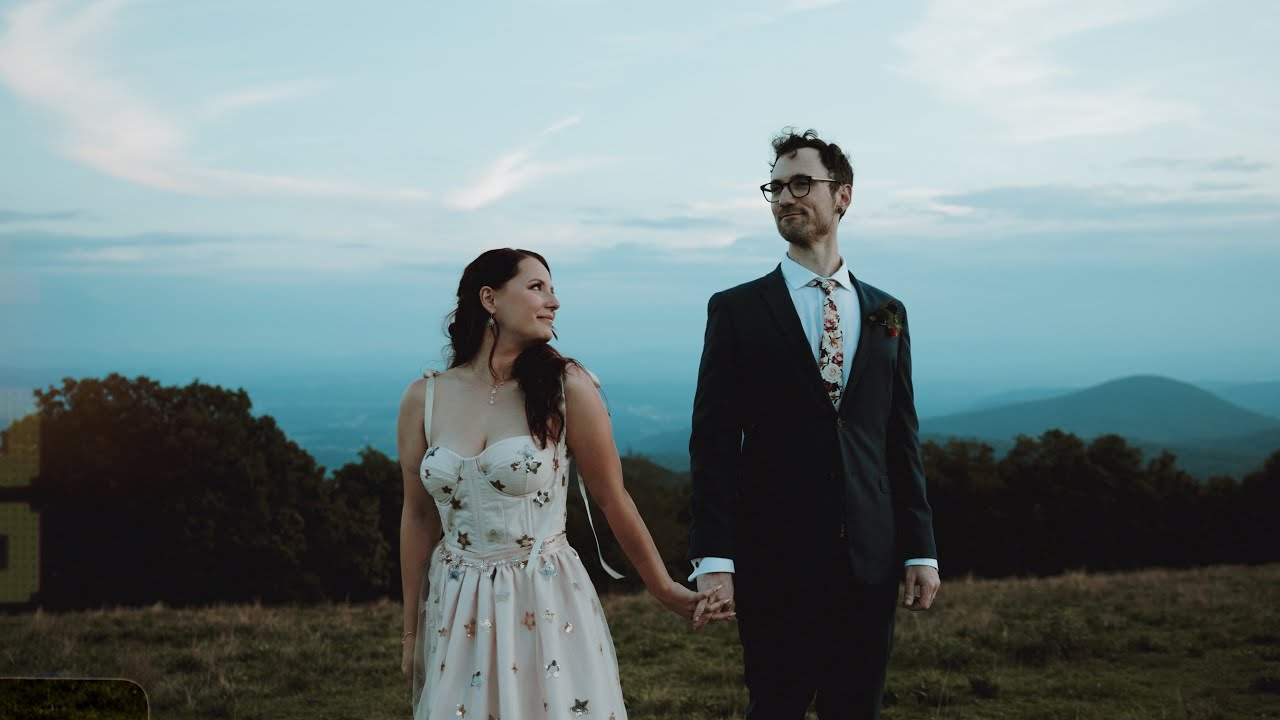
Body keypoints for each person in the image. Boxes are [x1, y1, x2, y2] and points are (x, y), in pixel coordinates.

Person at [686, 129, 941, 719]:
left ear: (843, 196)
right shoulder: (738, 309)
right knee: (775, 705)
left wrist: (920, 549)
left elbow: (900, 438)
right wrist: (714, 559)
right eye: (775, 187)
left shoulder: (886, 311)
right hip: (774, 558)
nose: (785, 197)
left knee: (858, 709)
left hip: (871, 561)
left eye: (802, 183)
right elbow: (715, 442)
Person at [397, 248, 715, 720]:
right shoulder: (424, 397)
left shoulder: (567, 387)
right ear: (490, 299)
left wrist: (664, 588)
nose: (554, 301)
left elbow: (613, 497)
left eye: (552, 288)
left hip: (545, 600)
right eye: (537, 287)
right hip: (457, 604)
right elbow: (418, 516)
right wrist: (412, 633)